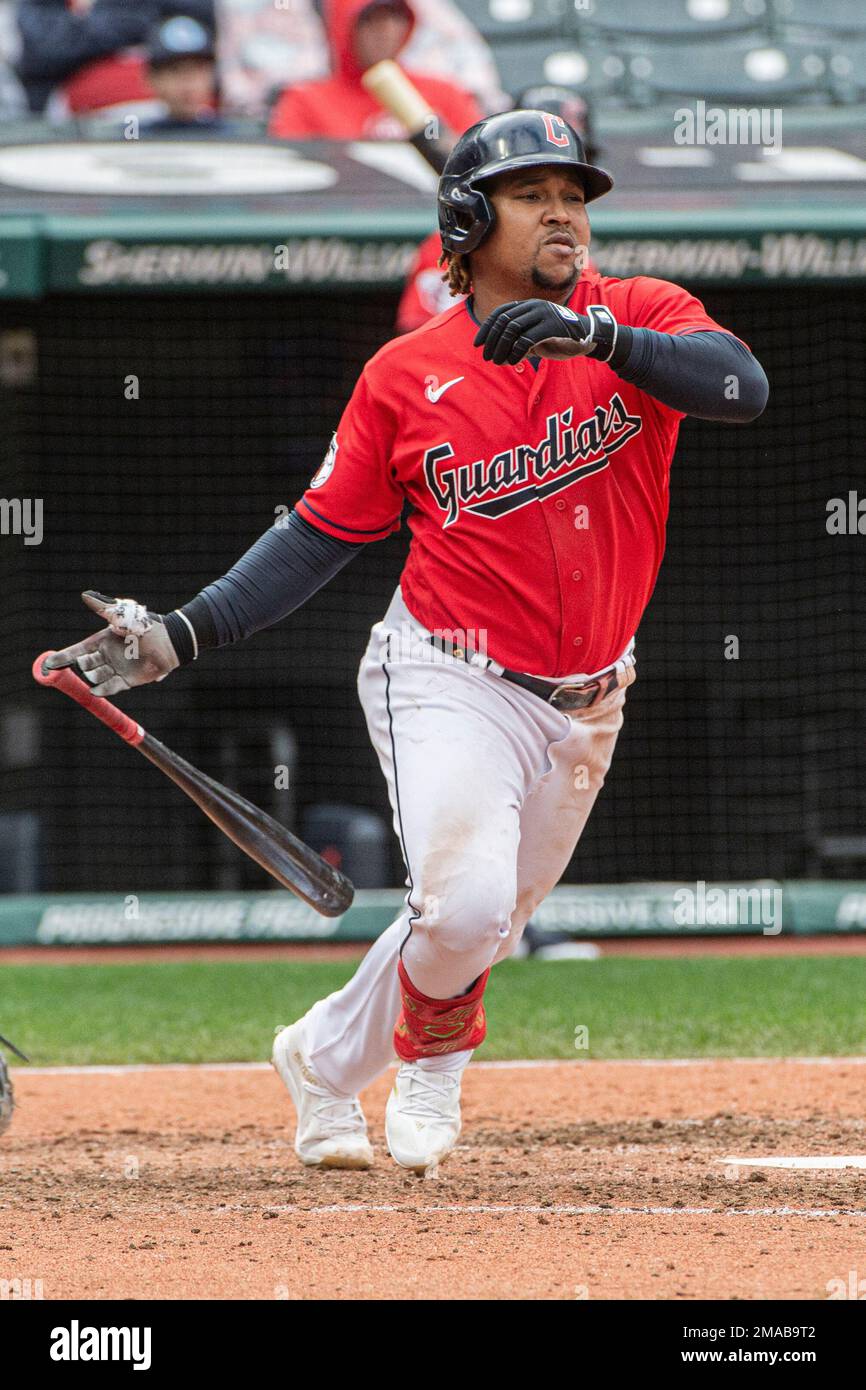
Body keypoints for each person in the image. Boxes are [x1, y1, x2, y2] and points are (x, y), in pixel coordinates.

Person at [46, 109, 769, 1176]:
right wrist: (182, 635)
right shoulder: (404, 375)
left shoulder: (640, 314)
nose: (564, 211)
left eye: (572, 194)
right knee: (470, 909)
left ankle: (319, 1059)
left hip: (590, 695)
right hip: (448, 671)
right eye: (533, 195)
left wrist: (598, 339)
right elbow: (316, 538)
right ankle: (432, 1068)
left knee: (459, 922)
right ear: (469, 222)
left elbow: (739, 389)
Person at [396, 86, 596, 333]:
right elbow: (420, 346)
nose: (559, 212)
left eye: (572, 193)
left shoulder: (576, 259)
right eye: (532, 195)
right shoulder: (448, 248)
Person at [268, 0, 481, 141]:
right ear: (344, 26)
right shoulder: (304, 101)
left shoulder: (444, 94)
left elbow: (475, 168)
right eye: (371, 20)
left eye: (395, 17)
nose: (385, 31)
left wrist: (434, 138)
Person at [15, 0, 214, 116]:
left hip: (163, 111)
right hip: (75, 120)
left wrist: (84, 25)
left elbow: (194, 34)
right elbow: (44, 50)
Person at [139, 14, 233, 136]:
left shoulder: (230, 135)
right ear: (151, 78)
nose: (189, 81)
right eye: (175, 70)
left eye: (198, 69)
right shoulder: (136, 134)